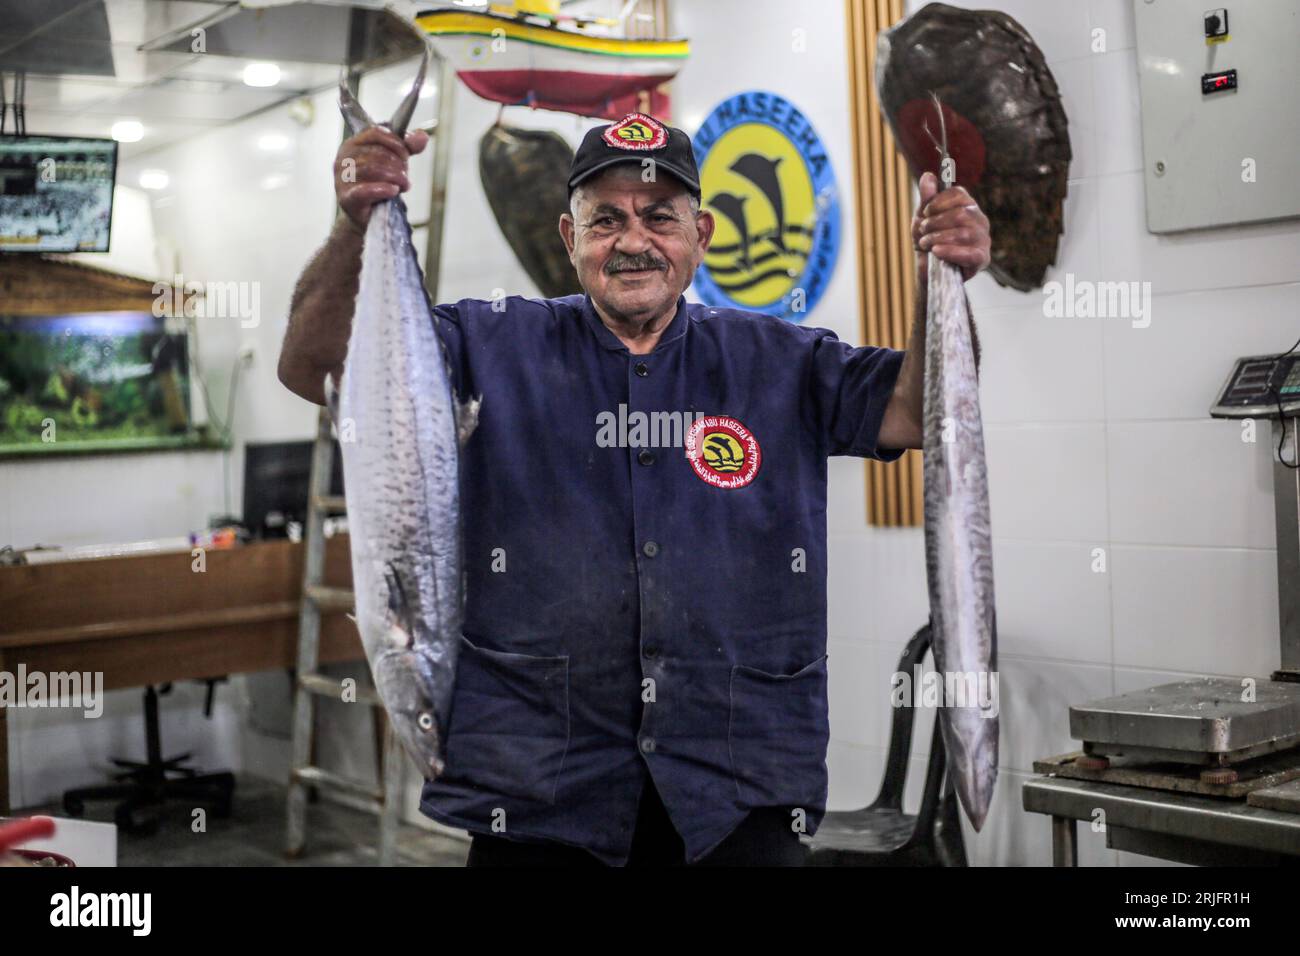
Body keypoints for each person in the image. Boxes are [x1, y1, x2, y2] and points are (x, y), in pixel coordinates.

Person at [278, 110, 990, 867]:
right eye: (606, 219)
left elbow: (922, 410)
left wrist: (940, 278)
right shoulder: (487, 344)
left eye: (659, 216)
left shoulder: (780, 360)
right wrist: (356, 226)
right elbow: (315, 368)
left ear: (702, 234)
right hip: (539, 793)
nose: (633, 241)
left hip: (738, 791)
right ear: (569, 237)